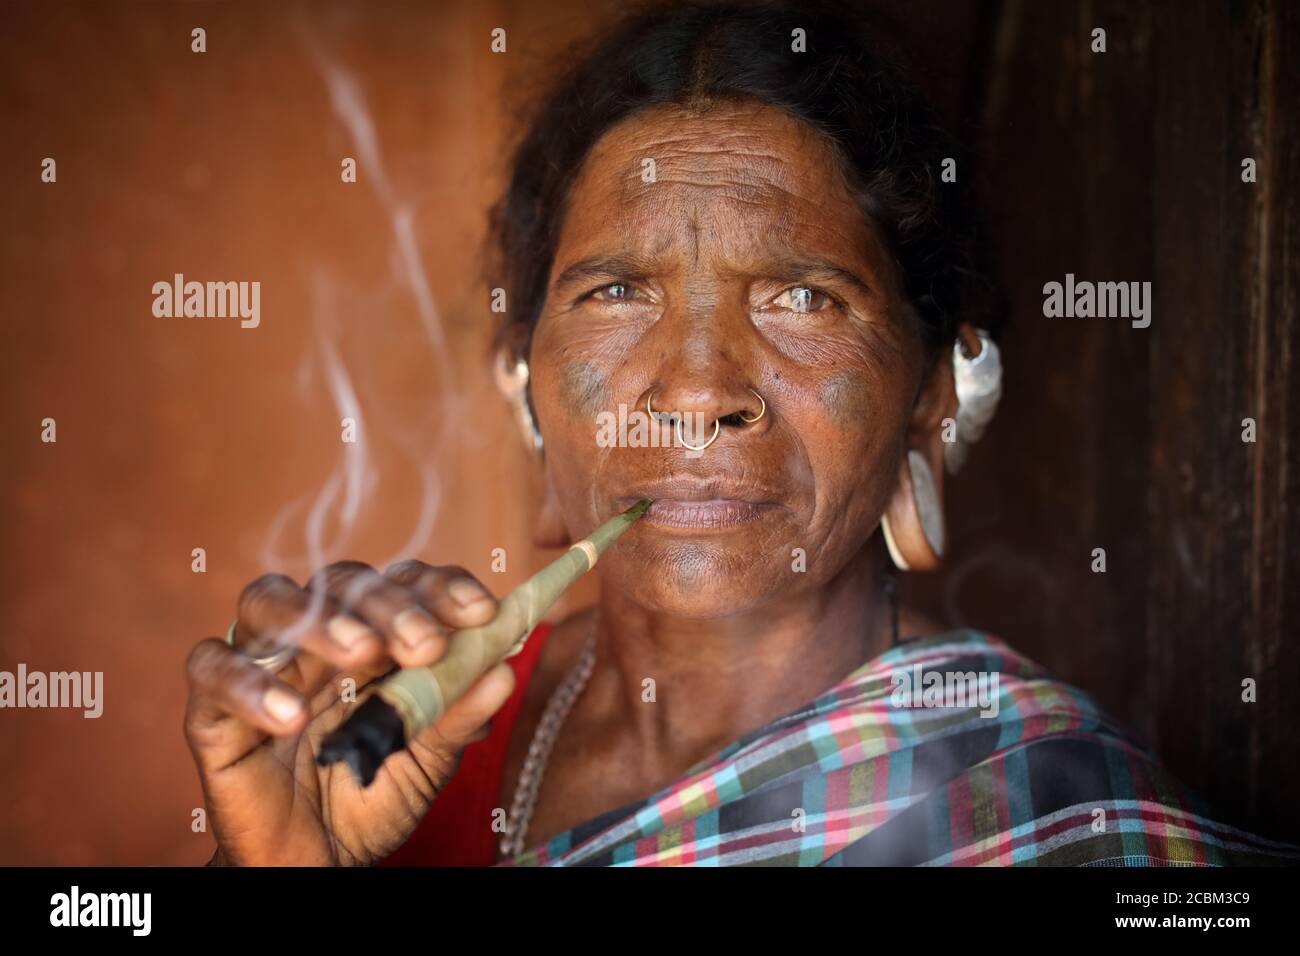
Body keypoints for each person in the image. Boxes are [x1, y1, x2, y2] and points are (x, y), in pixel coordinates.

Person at [184, 0, 1298, 867]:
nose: (696, 388)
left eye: (802, 297)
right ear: (527, 383)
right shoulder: (393, 722)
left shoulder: (1045, 809)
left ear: (934, 391)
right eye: (617, 290)